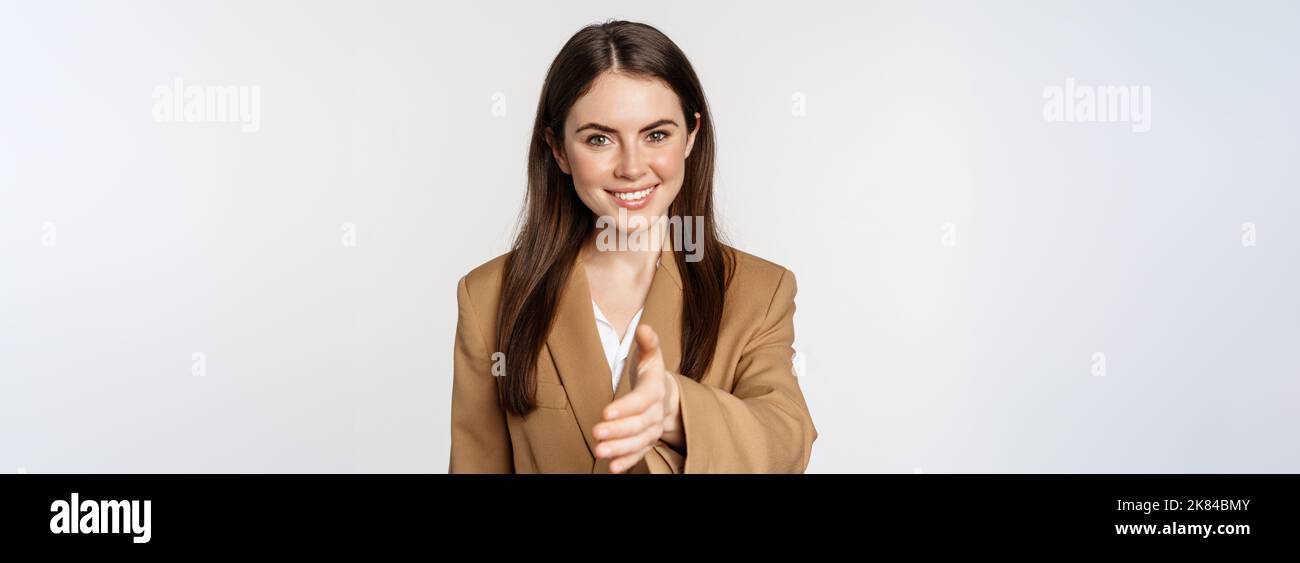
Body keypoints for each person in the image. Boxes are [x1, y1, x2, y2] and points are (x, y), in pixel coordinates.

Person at [449, 20, 816, 473]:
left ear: (691, 136)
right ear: (558, 149)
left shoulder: (759, 290)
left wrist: (676, 410)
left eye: (656, 135)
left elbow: (785, 438)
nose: (631, 167)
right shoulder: (488, 297)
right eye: (599, 139)